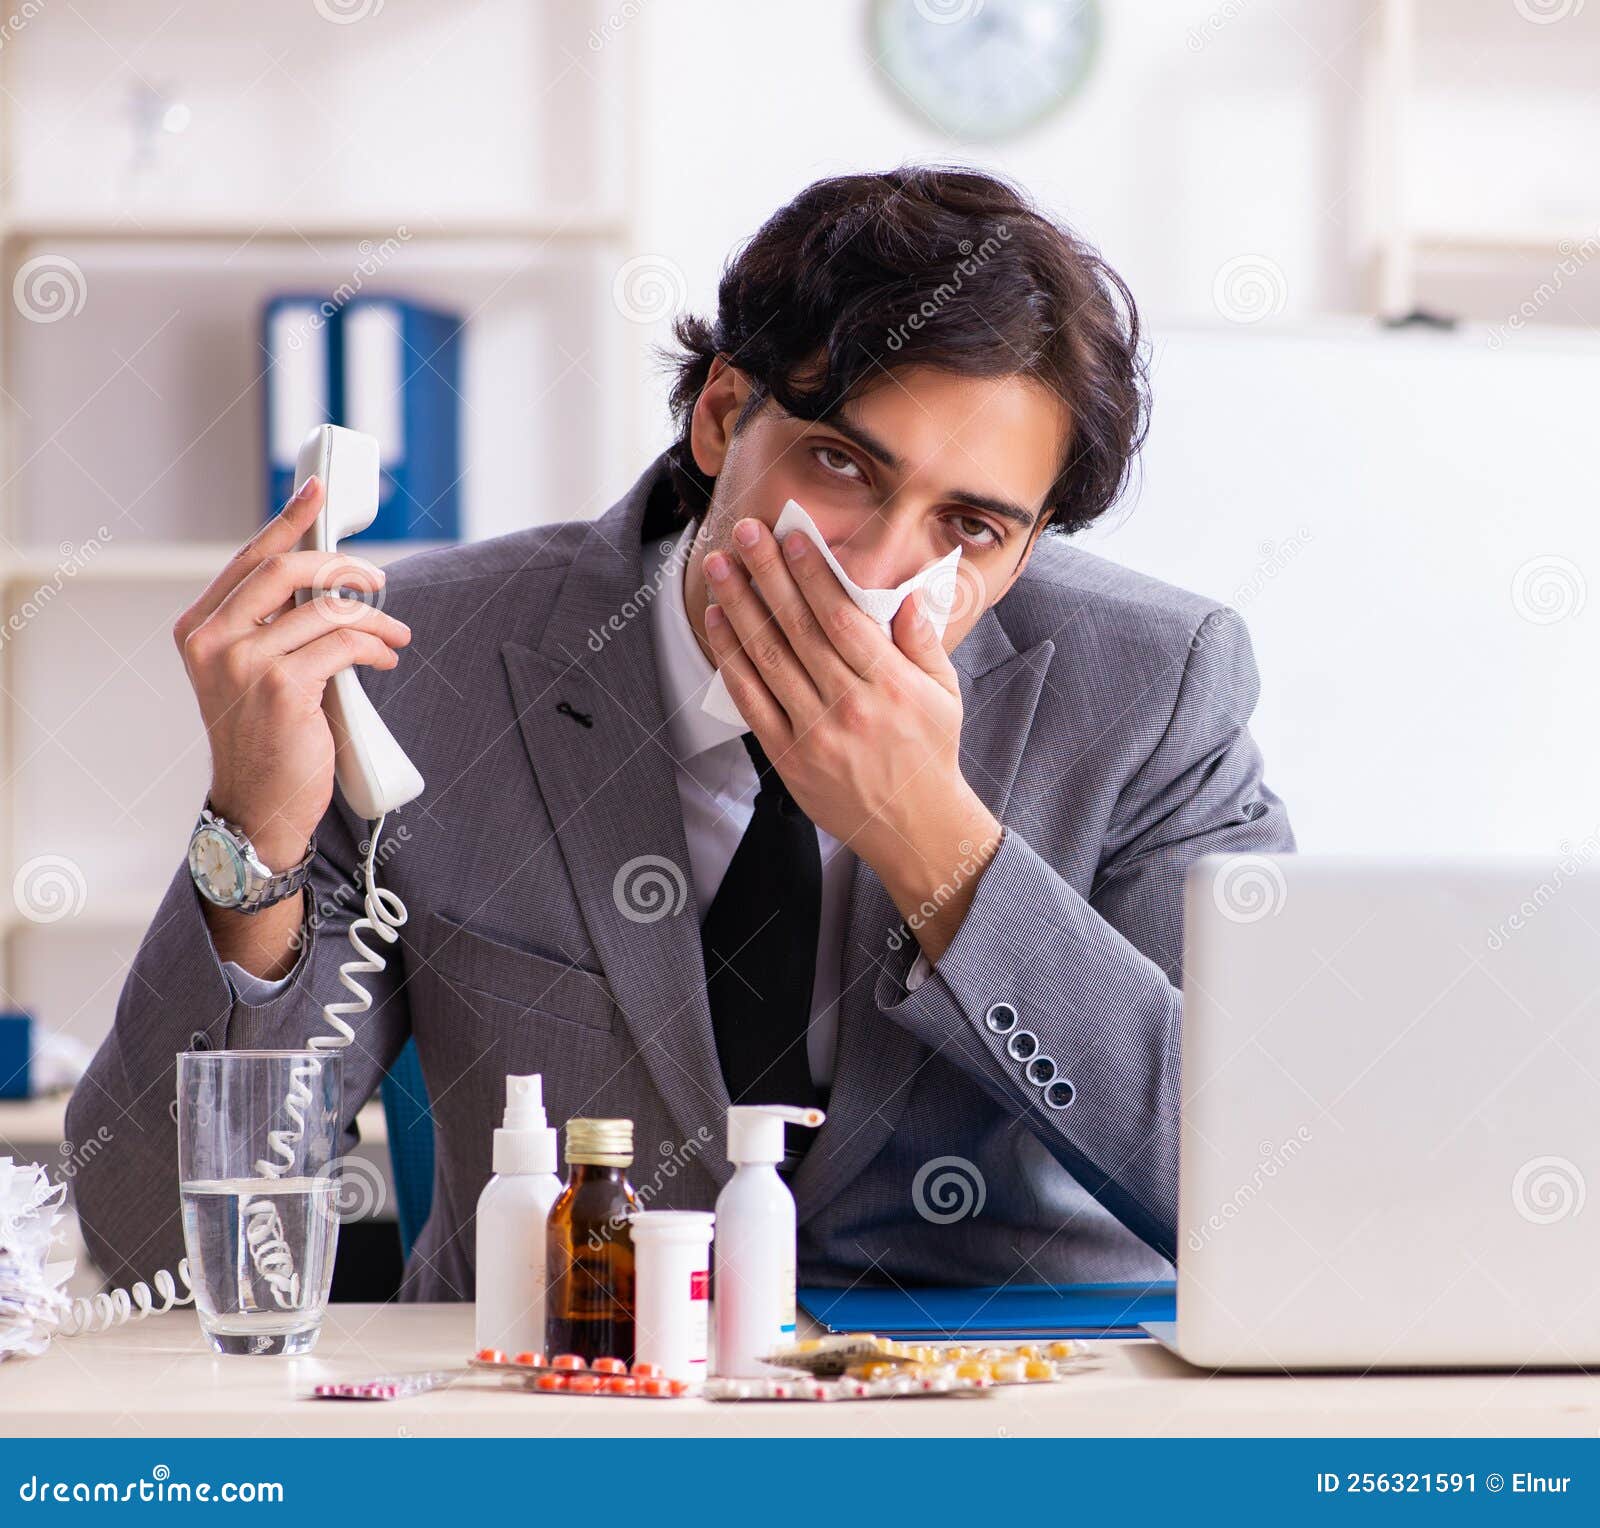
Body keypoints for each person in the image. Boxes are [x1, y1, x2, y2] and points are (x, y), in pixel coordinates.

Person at [67, 165, 1292, 1300]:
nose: (875, 567)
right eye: (841, 464)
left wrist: (936, 846)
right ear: (718, 419)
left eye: (968, 527)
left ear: (1027, 546)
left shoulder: (1150, 693)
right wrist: (256, 837)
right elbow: (144, 1245)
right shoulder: (419, 663)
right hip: (569, 1411)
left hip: (1010, 1416)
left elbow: (1270, 1197)